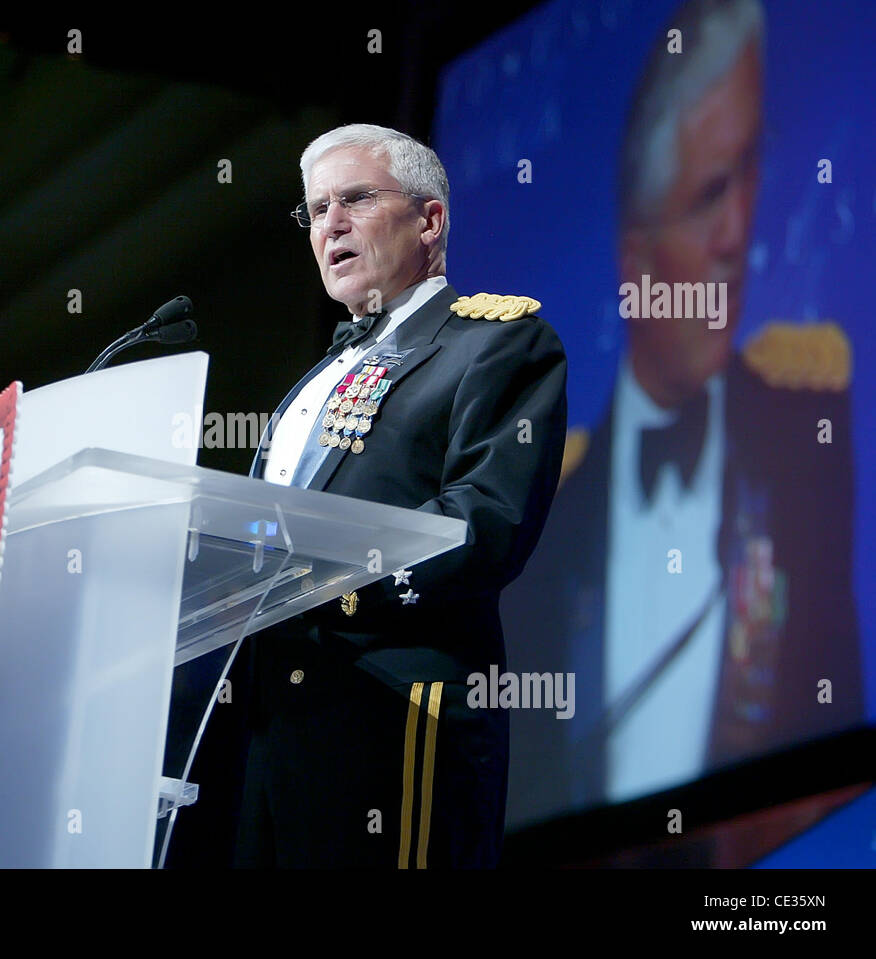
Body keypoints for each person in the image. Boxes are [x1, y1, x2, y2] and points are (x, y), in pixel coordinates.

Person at [503, 0, 862, 827]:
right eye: (707, 195)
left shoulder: (806, 436)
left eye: (747, 171)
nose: (739, 230)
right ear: (633, 260)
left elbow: (835, 758)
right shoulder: (547, 516)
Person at [231, 123, 567, 867]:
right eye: (316, 210)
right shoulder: (308, 386)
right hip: (271, 730)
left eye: (354, 199)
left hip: (399, 712)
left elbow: (483, 523)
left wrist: (317, 574)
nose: (330, 225)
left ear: (430, 220)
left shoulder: (495, 345)